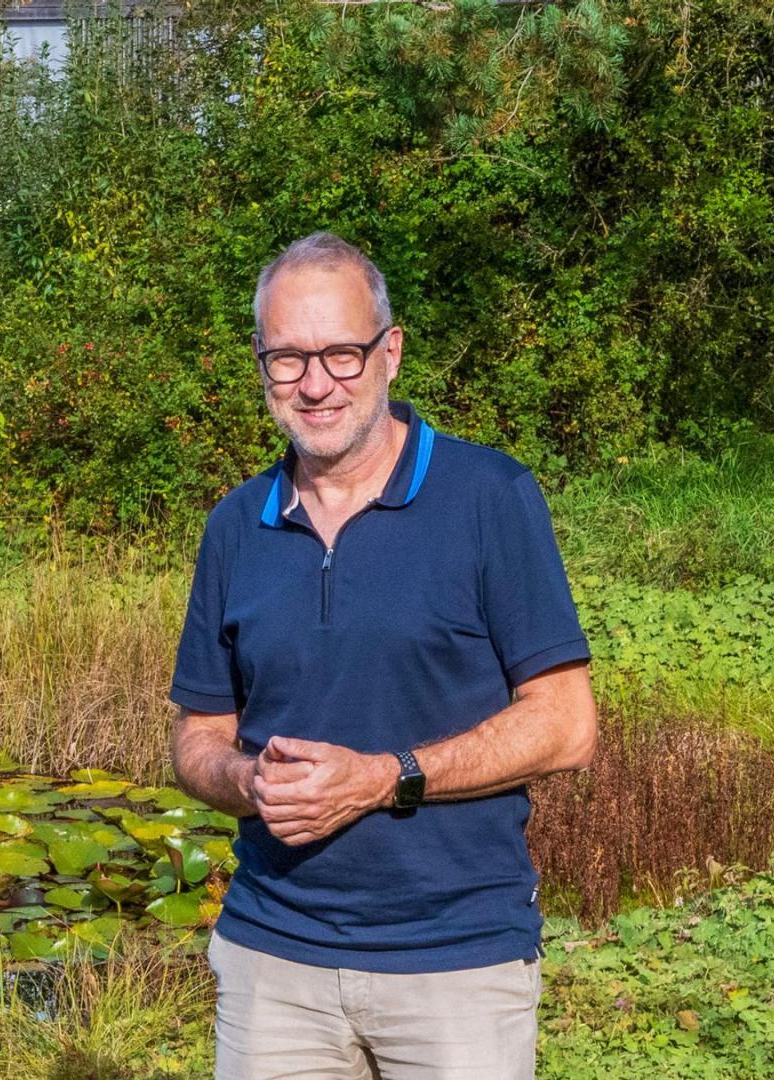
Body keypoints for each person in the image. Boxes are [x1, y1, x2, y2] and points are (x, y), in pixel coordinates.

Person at [169, 231, 598, 1080]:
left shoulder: (490, 499)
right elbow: (196, 740)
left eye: (341, 353)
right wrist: (247, 782)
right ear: (261, 366)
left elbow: (566, 725)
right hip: (272, 961)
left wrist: (383, 777)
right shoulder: (235, 525)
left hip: (455, 961)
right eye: (289, 358)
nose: (317, 383)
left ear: (390, 353)